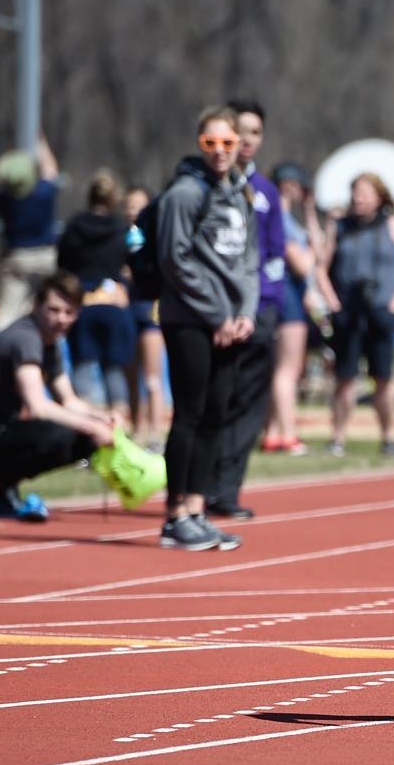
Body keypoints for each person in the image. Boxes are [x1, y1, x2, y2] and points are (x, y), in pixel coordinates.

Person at [152, 106, 257, 551]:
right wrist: (216, 315)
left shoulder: (240, 193)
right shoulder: (184, 193)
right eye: (210, 144)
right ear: (199, 145)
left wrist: (244, 313)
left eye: (228, 144)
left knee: (217, 413)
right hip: (191, 319)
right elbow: (175, 259)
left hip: (233, 322)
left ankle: (197, 508)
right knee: (191, 413)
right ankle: (175, 515)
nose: (219, 152)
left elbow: (249, 260)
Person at [0, 273, 114, 521]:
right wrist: (92, 426)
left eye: (69, 312)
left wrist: (103, 418)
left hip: (0, 428)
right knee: (61, 435)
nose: (61, 319)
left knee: (85, 438)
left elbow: (69, 401)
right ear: (36, 306)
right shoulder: (25, 338)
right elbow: (37, 406)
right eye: (54, 310)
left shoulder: (51, 343)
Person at [209, 100, 313, 518]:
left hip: (259, 313)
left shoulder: (266, 193)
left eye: (254, 133)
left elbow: (274, 255)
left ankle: (225, 490)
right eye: (238, 132)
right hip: (213, 312)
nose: (245, 141)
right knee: (212, 400)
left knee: (249, 403)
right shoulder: (205, 187)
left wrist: (262, 305)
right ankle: (194, 489)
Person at [319, 173, 394, 457]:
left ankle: (388, 438)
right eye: (355, 193)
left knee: (383, 377)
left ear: (378, 196)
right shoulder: (340, 227)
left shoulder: (393, 225)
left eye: (365, 193)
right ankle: (337, 438)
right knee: (345, 376)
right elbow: (321, 269)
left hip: (381, 309)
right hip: (348, 312)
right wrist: (333, 304)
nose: (358, 198)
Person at [58, 170, 136, 425]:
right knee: (113, 368)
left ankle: (83, 425)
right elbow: (135, 258)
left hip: (82, 302)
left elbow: (62, 263)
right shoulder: (122, 227)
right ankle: (120, 426)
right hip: (113, 302)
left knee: (82, 365)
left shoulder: (74, 226)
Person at [265, 162, 324, 455]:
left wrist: (311, 213)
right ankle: (287, 433)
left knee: (285, 368)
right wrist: (311, 254)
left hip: (292, 295)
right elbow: (304, 264)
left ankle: (274, 431)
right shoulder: (278, 216)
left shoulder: (291, 217)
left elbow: (318, 249)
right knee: (288, 369)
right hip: (287, 295)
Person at [0, 137, 61, 327]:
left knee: (7, 310)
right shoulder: (43, 193)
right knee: (53, 304)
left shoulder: (3, 199)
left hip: (16, 257)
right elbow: (51, 169)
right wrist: (40, 141)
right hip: (45, 256)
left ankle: (1, 348)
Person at [122, 186, 169, 444]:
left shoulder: (156, 235)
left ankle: (155, 430)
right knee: (131, 376)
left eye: (138, 205)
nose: (133, 210)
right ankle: (137, 428)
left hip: (149, 312)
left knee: (152, 378)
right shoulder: (121, 237)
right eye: (129, 205)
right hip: (128, 313)